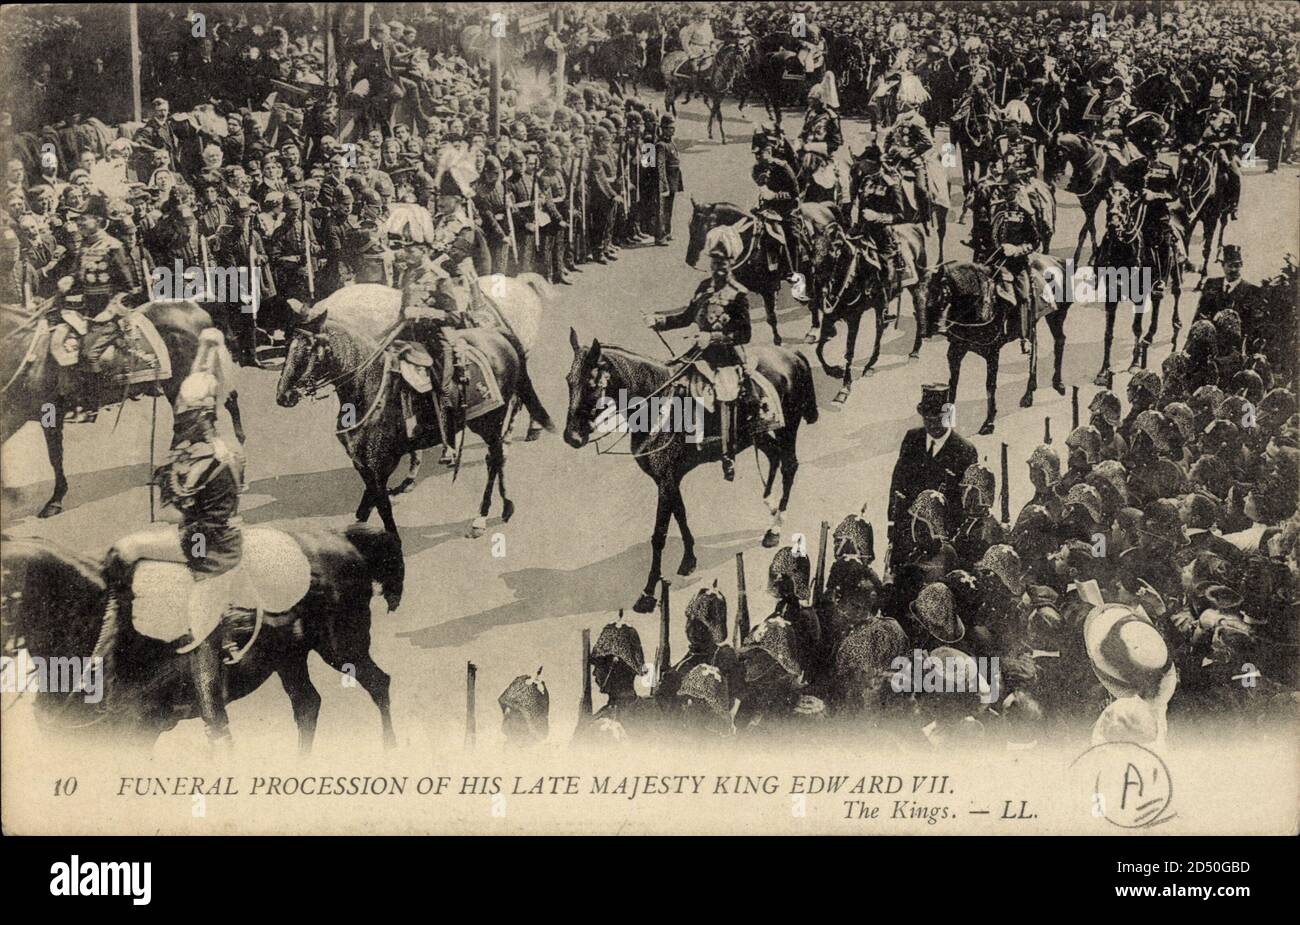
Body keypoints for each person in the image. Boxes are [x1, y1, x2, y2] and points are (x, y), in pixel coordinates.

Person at [102, 332, 243, 746]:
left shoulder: (222, 455)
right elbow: (201, 373)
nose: (179, 421)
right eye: (179, 414)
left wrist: (174, 535)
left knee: (200, 631)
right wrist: (206, 347)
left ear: (205, 416)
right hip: (190, 533)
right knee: (124, 550)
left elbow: (200, 521)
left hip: (213, 548)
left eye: (187, 416)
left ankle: (217, 728)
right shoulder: (190, 444)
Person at [647, 227, 751, 481]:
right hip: (700, 354)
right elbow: (686, 317)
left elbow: (745, 334)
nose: (718, 267)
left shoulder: (738, 294)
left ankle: (728, 454)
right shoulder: (703, 286)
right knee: (673, 380)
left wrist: (714, 337)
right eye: (714, 261)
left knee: (726, 393)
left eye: (723, 263)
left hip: (726, 357)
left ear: (732, 263)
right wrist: (659, 321)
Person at [887, 384, 978, 574]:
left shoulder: (964, 450)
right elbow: (897, 483)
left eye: (937, 419)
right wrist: (892, 525)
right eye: (927, 419)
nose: (932, 425)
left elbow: (963, 504)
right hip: (906, 535)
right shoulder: (912, 439)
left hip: (939, 543)